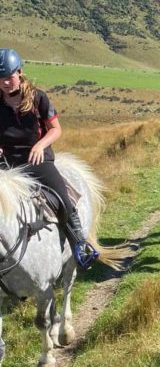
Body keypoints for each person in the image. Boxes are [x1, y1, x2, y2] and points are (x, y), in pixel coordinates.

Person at [0, 48, 98, 268]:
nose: (5, 83)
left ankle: (80, 247)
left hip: (37, 160)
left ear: (20, 72)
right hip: (7, 161)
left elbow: (55, 129)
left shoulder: (37, 98)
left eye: (9, 77)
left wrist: (40, 145)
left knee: (63, 199)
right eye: (0, 79)